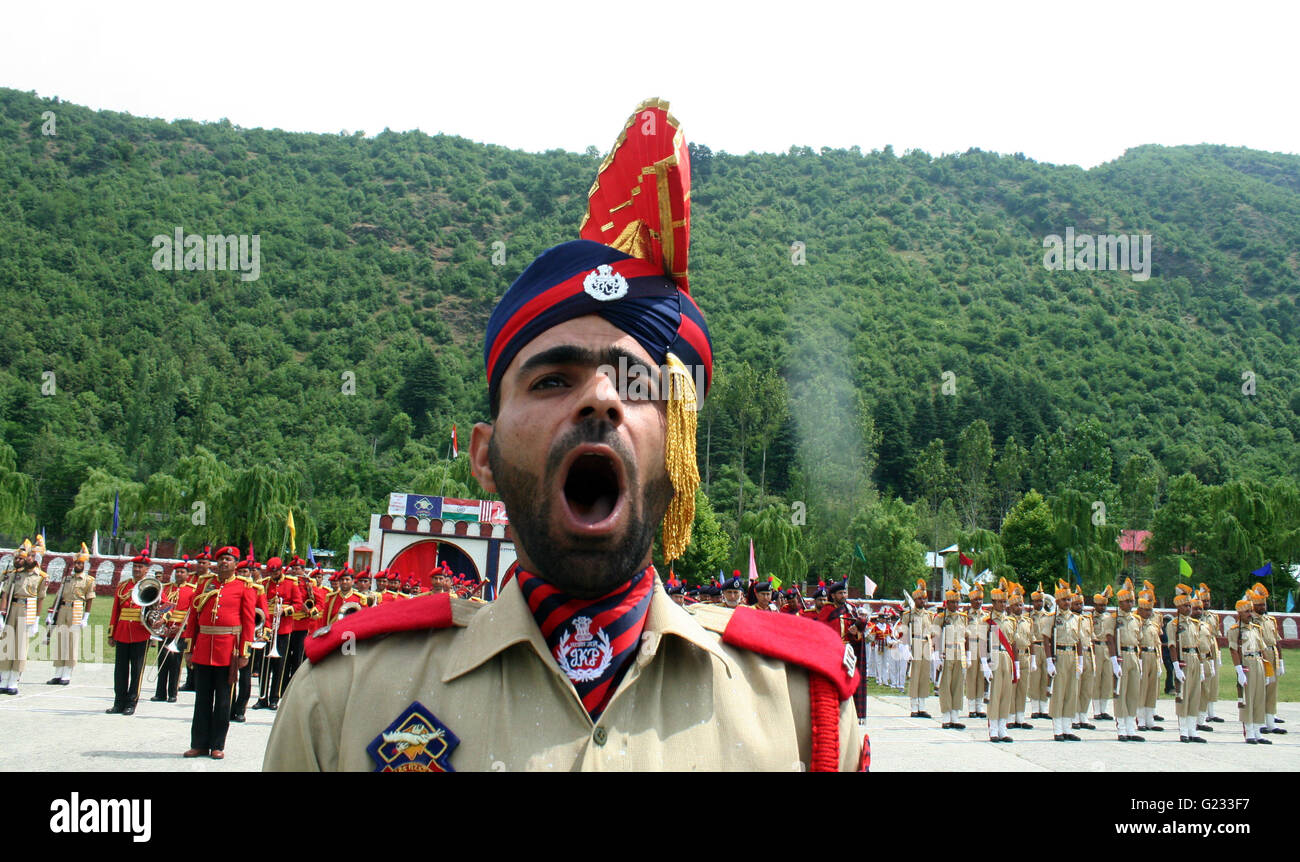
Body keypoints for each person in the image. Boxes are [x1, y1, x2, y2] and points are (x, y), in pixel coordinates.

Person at [265, 101, 863, 771]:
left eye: (636, 385)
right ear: (484, 456)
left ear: (677, 450)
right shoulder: (346, 699)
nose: (602, 400)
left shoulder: (796, 708)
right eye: (552, 381)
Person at [183, 546, 256, 759]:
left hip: (228, 650)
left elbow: (248, 621)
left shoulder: (244, 586)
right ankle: (198, 744)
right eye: (221, 559)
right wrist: (189, 648)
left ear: (235, 564)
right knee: (202, 699)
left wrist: (244, 652)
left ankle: (217, 745)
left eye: (228, 559)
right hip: (204, 647)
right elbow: (193, 617)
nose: (224, 562)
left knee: (224, 701)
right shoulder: (205, 584)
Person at [105, 552, 152, 714]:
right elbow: (115, 611)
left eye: (140, 567)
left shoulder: (152, 585)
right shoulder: (123, 586)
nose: (137, 569)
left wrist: (158, 622)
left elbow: (165, 606)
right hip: (123, 631)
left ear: (147, 570)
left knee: (137, 670)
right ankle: (119, 702)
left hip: (140, 632)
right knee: (120, 670)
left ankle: (131, 702)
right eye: (135, 567)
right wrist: (111, 633)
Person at [0, 540, 48, 694]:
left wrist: (36, 621)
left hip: (28, 610)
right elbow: (6, 593)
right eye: (28, 555)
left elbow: (40, 598)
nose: (28, 558)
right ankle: (4, 678)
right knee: (7, 645)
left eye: (32, 556)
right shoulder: (16, 574)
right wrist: (1, 615)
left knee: (20, 647)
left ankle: (13, 681)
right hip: (12, 608)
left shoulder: (41, 577)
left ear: (36, 559)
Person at [48, 543, 96, 686]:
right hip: (63, 609)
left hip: (76, 610)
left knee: (71, 642)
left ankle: (67, 674)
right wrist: (51, 612)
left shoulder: (88, 580)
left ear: (84, 565)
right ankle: (58, 673)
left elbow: (89, 599)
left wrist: (85, 617)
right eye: (75, 563)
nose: (77, 565)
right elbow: (58, 597)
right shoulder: (67, 579)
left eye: (80, 563)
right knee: (60, 641)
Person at [978, 578, 1017, 743]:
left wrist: (1016, 666)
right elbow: (981, 643)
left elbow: (1013, 643)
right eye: (999, 602)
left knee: (1006, 694)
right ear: (993, 602)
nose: (1003, 605)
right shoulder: (986, 621)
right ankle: (993, 729)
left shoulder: (1011, 621)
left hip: (1007, 658)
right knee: (995, 694)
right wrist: (984, 664)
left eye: (1004, 601)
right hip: (993, 656)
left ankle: (1003, 728)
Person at [1167, 584, 1206, 743]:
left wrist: (1202, 666)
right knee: (1183, 696)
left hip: (1195, 659)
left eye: (1190, 605)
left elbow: (1198, 646)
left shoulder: (1195, 624)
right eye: (1185, 605)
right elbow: (1172, 646)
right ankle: (1183, 730)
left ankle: (1192, 730)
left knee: (1195, 695)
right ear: (1178, 606)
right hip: (1183, 660)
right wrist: (1176, 667)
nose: (1189, 608)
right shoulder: (1173, 625)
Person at [151, 560, 194, 702]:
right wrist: (162, 622)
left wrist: (183, 626)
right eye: (177, 572)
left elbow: (192, 613)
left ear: (187, 575)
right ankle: (160, 693)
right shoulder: (166, 588)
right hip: (165, 628)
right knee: (162, 660)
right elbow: (162, 606)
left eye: (182, 572)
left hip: (180, 630)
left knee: (175, 662)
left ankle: (172, 693)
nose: (179, 574)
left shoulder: (192, 589)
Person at [1045, 580, 1081, 741]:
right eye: (1064, 600)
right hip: (1058, 654)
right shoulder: (1052, 618)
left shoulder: (1076, 618)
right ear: (1057, 601)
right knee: (1059, 692)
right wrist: (1049, 662)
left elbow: (1079, 640)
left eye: (1069, 600)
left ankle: (1068, 727)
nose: (1067, 602)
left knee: (1070, 692)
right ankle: (1057, 728)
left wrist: (1080, 661)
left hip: (1071, 655)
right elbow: (1046, 639)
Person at [1250, 583, 1287, 735]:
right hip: (1260, 655)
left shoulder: (1270, 620)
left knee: (1272, 689)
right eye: (1259, 605)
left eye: (1264, 604)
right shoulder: (1252, 621)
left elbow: (1277, 641)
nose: (1263, 607)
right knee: (1260, 690)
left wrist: (1281, 661)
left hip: (1273, 654)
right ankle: (1258, 723)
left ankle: (1271, 722)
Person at [1110, 579, 1144, 741]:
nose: (1131, 604)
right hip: (1121, 656)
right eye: (1128, 601)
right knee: (1120, 693)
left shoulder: (1136, 619)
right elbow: (1110, 640)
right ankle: (1121, 727)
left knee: (1133, 692)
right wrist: (1114, 661)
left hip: (1133, 656)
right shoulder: (1114, 619)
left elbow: (1140, 640)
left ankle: (1131, 727)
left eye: (1132, 601)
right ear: (1121, 603)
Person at [932, 582, 967, 730]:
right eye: (952, 602)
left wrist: (968, 655)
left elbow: (966, 637)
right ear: (947, 603)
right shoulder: (940, 617)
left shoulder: (962, 617)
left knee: (958, 684)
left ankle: (955, 716)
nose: (955, 605)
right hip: (946, 652)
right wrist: (937, 655)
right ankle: (946, 716)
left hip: (959, 652)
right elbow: (935, 636)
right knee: (945, 684)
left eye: (957, 602)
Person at [899, 579, 934, 719]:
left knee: (924, 677)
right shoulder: (908, 615)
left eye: (924, 598)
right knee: (915, 676)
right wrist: (906, 649)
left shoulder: (929, 615)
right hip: (915, 643)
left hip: (926, 644)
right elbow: (904, 633)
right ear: (914, 599)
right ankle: (914, 707)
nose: (922, 601)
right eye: (920, 599)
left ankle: (922, 706)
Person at [1193, 585, 1224, 727]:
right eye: (1204, 601)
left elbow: (1214, 636)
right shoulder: (1194, 617)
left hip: (1211, 651)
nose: (1206, 603)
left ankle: (1209, 713)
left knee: (1212, 682)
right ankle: (1195, 717)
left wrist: (1216, 654)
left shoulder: (1213, 617)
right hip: (1197, 653)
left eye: (1208, 601)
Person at [963, 583, 986, 718]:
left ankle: (980, 706)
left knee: (981, 676)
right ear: (971, 600)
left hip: (982, 646)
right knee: (971, 676)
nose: (978, 602)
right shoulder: (966, 615)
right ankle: (972, 707)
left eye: (980, 599)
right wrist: (967, 652)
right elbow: (964, 634)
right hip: (971, 645)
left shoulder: (985, 615)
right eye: (976, 599)